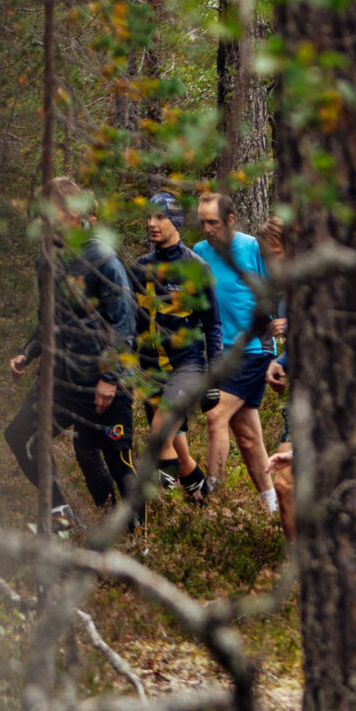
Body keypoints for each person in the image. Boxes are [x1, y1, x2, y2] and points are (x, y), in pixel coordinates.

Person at [2, 178, 139, 531]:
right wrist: (27, 353)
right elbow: (48, 319)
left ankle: (137, 537)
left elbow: (123, 324)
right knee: (20, 435)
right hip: (61, 380)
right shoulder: (46, 260)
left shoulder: (102, 258)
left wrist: (109, 378)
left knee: (117, 461)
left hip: (102, 381)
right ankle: (63, 515)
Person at [195, 191, 277, 513]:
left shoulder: (252, 249)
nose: (207, 229)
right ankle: (272, 504)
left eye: (213, 223)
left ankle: (207, 497)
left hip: (253, 349)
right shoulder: (199, 253)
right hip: (217, 352)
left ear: (230, 220)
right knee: (248, 437)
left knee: (216, 416)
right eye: (202, 223)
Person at [132, 193, 219, 496]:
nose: (152, 224)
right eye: (149, 217)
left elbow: (212, 324)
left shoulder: (197, 268)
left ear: (176, 221)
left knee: (159, 434)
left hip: (187, 366)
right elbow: (136, 321)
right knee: (176, 447)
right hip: (152, 369)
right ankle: (200, 498)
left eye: (160, 217)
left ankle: (160, 512)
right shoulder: (141, 267)